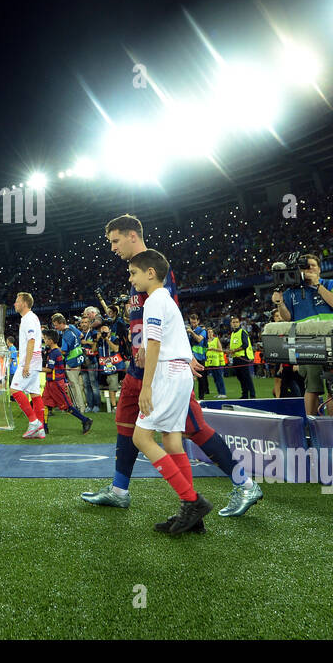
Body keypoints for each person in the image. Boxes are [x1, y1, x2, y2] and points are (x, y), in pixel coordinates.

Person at [84, 215, 257, 520]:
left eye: (115, 241)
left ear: (132, 236)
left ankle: (244, 484)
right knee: (126, 424)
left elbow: (168, 317)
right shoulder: (137, 275)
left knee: (193, 428)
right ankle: (119, 490)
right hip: (140, 369)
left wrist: (183, 354)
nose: (112, 248)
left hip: (163, 370)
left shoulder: (157, 274)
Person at [127, 250, 214, 535]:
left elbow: (153, 344)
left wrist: (147, 386)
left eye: (133, 273)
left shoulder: (152, 301)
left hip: (166, 374)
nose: (131, 279)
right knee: (172, 441)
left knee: (141, 437)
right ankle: (191, 516)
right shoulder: (167, 301)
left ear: (150, 273)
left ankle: (192, 502)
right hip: (181, 375)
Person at [272, 253, 333, 417]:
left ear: (319, 268)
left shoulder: (332, 283)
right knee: (312, 386)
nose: (308, 269)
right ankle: (310, 425)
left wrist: (317, 285)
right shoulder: (292, 291)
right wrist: (280, 303)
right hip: (308, 342)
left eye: (311, 266)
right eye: (304, 267)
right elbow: (287, 317)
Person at [9, 292, 47, 438]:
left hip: (29, 361)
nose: (15, 304)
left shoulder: (28, 319)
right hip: (36, 360)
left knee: (15, 390)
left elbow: (31, 341)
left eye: (17, 301)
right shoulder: (32, 318)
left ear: (24, 303)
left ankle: (34, 422)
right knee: (35, 394)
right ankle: (40, 429)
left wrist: (26, 364)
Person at [41, 330, 93, 434]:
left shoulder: (54, 353)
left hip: (56, 383)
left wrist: (36, 368)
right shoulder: (53, 351)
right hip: (50, 383)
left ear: (50, 341)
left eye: (45, 338)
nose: (44, 340)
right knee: (45, 404)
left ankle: (85, 420)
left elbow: (50, 369)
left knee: (66, 406)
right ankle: (44, 428)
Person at [50, 313, 87, 413]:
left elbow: (64, 351)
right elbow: (81, 335)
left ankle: (80, 407)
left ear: (62, 323)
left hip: (71, 361)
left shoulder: (66, 336)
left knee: (74, 384)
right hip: (79, 358)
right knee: (78, 384)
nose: (55, 327)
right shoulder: (71, 327)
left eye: (56, 325)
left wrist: (54, 346)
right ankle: (81, 405)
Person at [226, 316, 256, 399]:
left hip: (242, 358)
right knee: (240, 377)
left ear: (239, 323)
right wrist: (231, 351)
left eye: (236, 322)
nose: (235, 324)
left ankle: (252, 395)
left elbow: (245, 345)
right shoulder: (232, 334)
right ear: (231, 324)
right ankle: (245, 394)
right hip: (236, 358)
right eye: (233, 322)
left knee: (246, 377)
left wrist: (234, 350)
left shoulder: (242, 332)